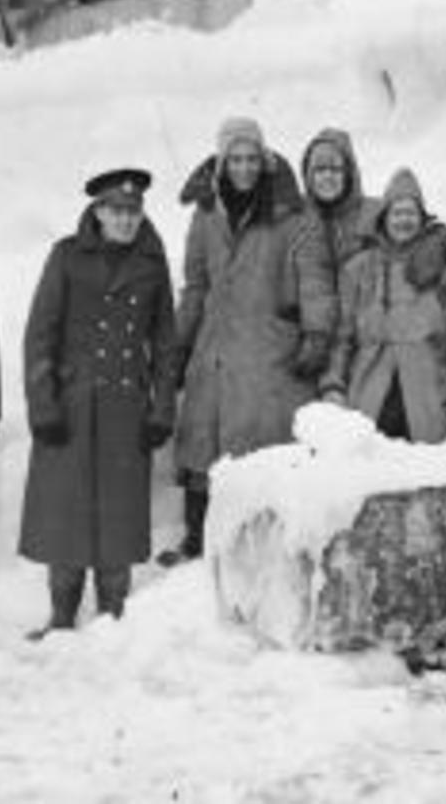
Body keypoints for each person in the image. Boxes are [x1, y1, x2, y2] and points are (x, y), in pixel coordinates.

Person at [161, 118, 337, 566]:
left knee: (262, 450)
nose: (244, 167)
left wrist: (317, 334)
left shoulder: (294, 214)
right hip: (215, 347)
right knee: (203, 444)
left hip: (268, 348)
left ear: (264, 160)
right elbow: (195, 286)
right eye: (235, 159)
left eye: (251, 158)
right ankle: (197, 542)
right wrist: (179, 345)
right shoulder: (206, 214)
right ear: (222, 163)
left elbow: (316, 281)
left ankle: (260, 548)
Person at [20, 168, 176, 637]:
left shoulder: (151, 264)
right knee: (66, 516)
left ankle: (112, 620)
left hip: (125, 408)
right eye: (117, 211)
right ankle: (61, 619)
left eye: (133, 211)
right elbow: (40, 334)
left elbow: (165, 343)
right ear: (99, 212)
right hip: (71, 406)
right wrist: (43, 405)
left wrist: (161, 409)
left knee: (118, 520)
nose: (126, 220)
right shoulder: (66, 256)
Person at [321, 167, 446, 441]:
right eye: (397, 213)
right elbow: (342, 337)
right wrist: (333, 385)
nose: (403, 220)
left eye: (411, 213)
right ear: (384, 218)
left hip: (430, 397)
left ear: (422, 218)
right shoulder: (358, 269)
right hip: (368, 396)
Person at [298, 127, 446, 282]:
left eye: (335, 169)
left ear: (348, 173)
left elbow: (420, 227)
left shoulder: (373, 212)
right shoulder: (297, 215)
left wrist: (436, 246)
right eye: (319, 169)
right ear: (308, 175)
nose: (327, 176)